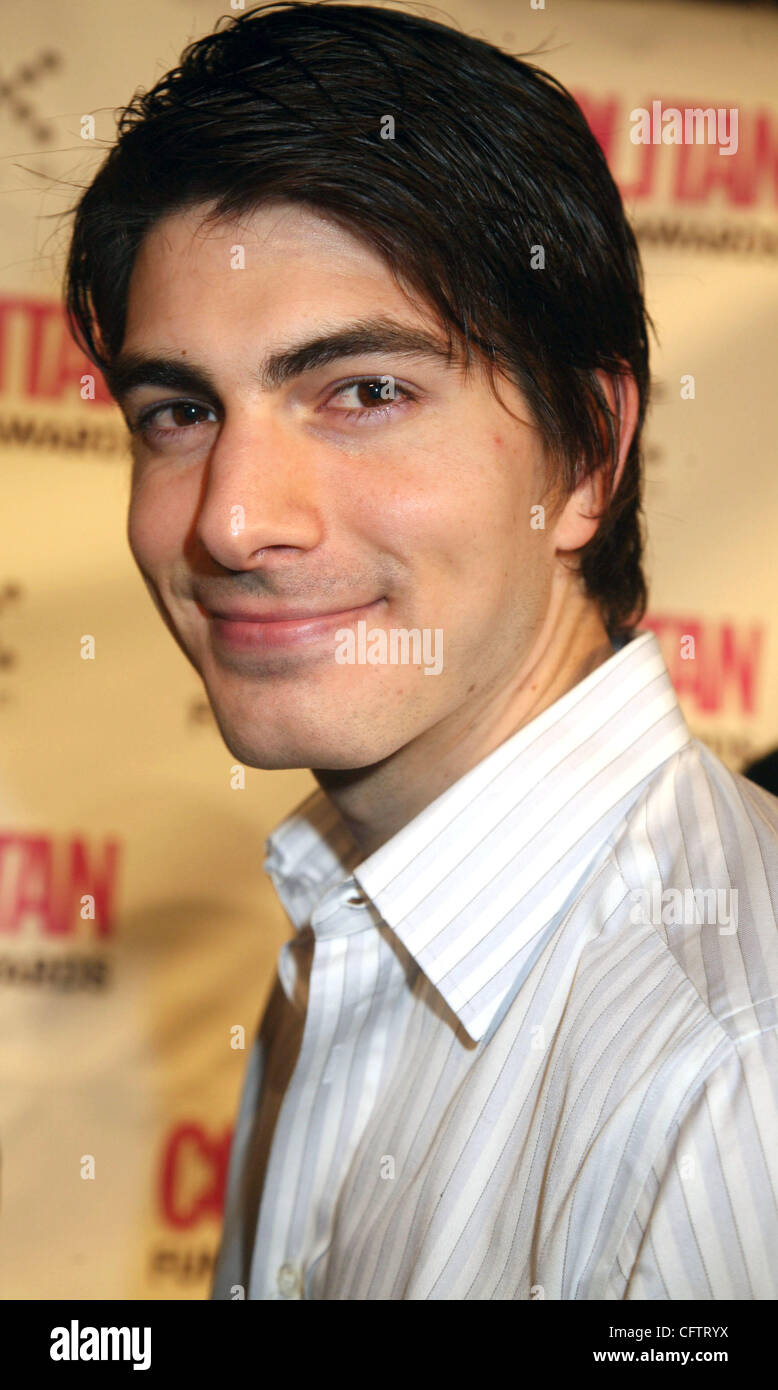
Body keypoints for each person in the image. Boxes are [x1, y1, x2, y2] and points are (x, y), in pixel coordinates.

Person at [64, 1, 778, 1300]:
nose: (231, 518)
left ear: (589, 453)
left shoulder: (728, 1075)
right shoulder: (357, 918)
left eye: (364, 392)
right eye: (178, 410)